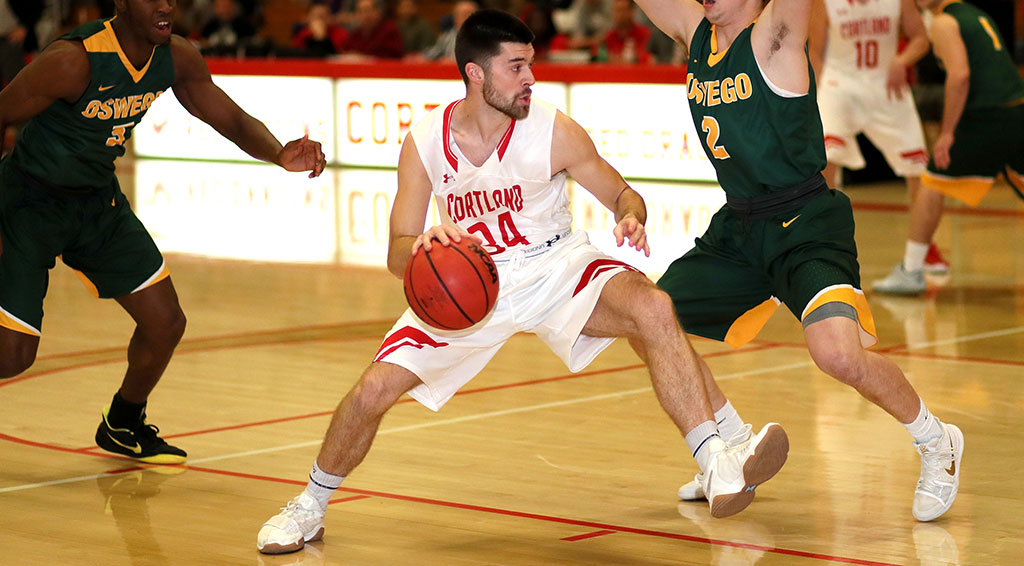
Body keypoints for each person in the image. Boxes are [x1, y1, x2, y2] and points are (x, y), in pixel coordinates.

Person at [256, 9, 790, 555]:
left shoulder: (553, 128)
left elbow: (622, 193)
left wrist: (631, 215)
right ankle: (309, 505)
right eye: (516, 67)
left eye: (530, 64)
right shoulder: (425, 142)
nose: (530, 78)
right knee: (372, 390)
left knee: (651, 309)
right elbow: (397, 250)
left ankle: (716, 460)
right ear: (476, 74)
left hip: (554, 265)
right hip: (467, 284)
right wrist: (420, 249)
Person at [633, 0, 963, 521]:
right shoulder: (697, 32)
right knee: (647, 316)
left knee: (839, 357)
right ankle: (729, 444)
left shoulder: (775, 36)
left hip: (804, 222)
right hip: (739, 226)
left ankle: (936, 440)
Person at [0, 0, 326, 465]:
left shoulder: (176, 56)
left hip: (97, 203)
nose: (167, 4)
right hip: (29, 202)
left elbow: (230, 119)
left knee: (165, 323)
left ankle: (122, 423)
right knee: (13, 356)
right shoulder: (74, 60)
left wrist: (278, 153)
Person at [872, 0, 1024, 295]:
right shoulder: (975, 14)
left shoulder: (944, 22)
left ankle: (912, 270)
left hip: (987, 114)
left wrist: (947, 133)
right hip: (1017, 109)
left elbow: (960, 76)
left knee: (932, 182)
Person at [808, 0, 949, 277]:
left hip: (886, 84)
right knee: (823, 163)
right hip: (840, 85)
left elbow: (920, 38)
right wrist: (816, 96)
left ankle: (925, 247)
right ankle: (819, 245)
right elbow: (815, 51)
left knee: (920, 171)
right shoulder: (824, 3)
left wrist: (902, 60)